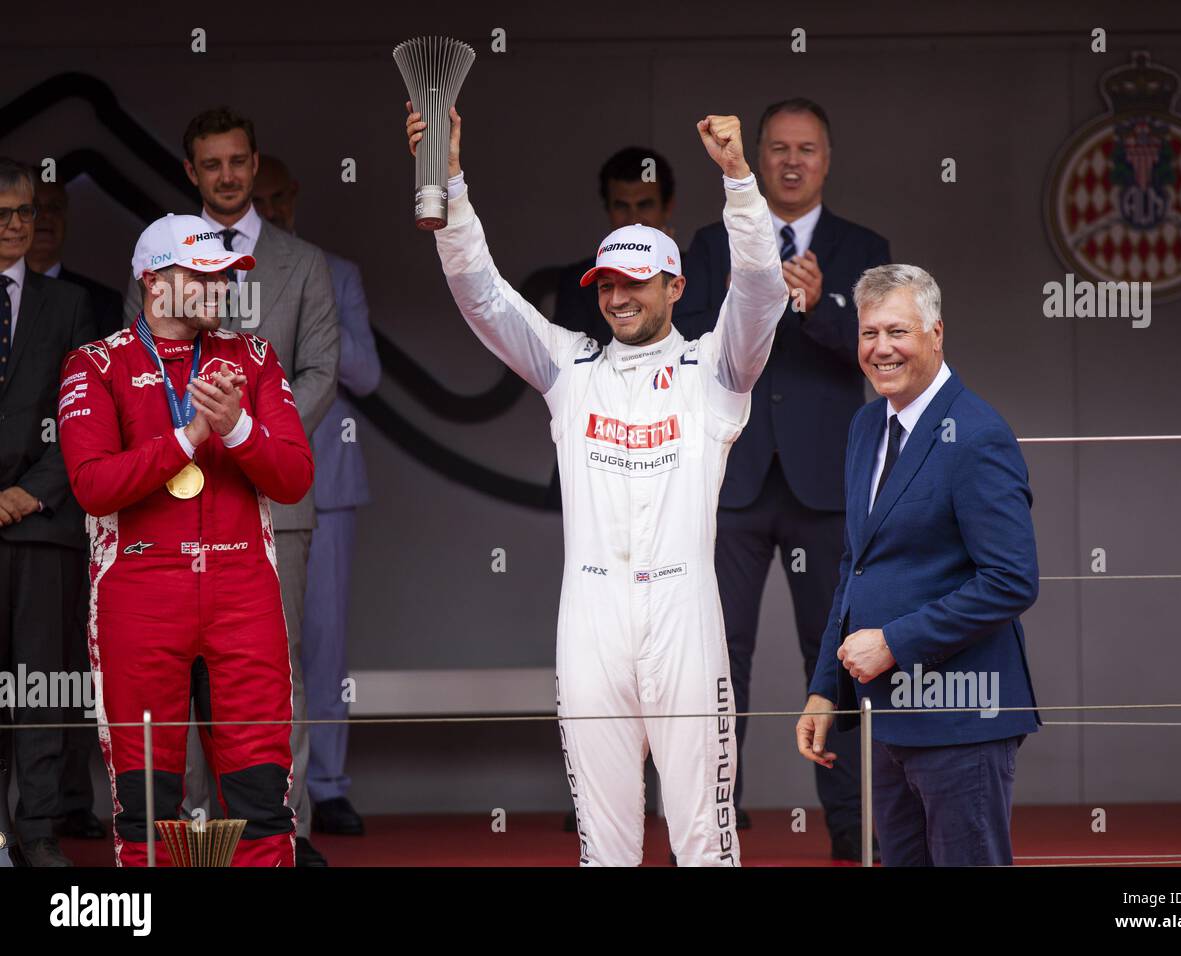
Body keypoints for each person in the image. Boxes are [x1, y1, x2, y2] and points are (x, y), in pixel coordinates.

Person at [405, 102, 787, 865]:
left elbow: (761, 293)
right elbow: (484, 297)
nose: (618, 297)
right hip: (590, 618)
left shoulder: (716, 370)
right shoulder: (566, 368)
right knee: (604, 849)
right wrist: (450, 184)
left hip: (684, 615)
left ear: (675, 286)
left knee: (706, 844)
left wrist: (740, 180)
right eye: (607, 283)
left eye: (637, 283)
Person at [60, 213, 313, 867]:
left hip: (244, 594)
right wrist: (189, 438)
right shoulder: (96, 364)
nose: (222, 288)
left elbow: (293, 476)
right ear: (153, 281)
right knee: (147, 809)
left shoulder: (253, 359)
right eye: (203, 276)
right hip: (140, 595)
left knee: (263, 804)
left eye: (226, 275)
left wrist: (235, 430)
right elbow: (93, 485)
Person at [121, 108, 339, 866]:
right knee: (171, 682)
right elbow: (138, 372)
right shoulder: (156, 260)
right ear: (192, 171)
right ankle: (192, 845)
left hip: (271, 494)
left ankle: (287, 828)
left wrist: (253, 435)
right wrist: (194, 432)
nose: (227, 174)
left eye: (238, 160)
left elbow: (321, 373)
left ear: (255, 163)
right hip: (164, 510)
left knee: (277, 671)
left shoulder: (303, 261)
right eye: (211, 163)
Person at [674, 98, 890, 858]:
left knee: (835, 657)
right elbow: (695, 342)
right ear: (756, 159)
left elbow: (881, 355)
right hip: (730, 483)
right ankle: (707, 834)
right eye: (777, 149)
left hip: (826, 491)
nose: (791, 161)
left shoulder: (865, 248)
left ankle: (853, 834)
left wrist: (819, 305)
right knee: (715, 658)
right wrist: (764, 298)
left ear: (826, 161)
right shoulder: (708, 244)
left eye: (806, 149)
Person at [796, 264, 1040, 866]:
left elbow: (1011, 580)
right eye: (868, 333)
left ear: (936, 333)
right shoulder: (864, 426)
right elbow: (856, 568)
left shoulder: (979, 433)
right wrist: (827, 688)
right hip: (887, 719)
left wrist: (895, 643)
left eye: (897, 332)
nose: (881, 349)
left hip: (963, 720)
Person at [252, 155, 380, 835]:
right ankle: (261, 791)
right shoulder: (223, 270)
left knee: (322, 645)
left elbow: (368, 373)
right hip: (242, 481)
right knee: (252, 648)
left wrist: (315, 321)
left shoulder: (335, 272)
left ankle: (327, 785)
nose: (270, 211)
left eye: (279, 199)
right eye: (258, 200)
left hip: (324, 481)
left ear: (293, 196)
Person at [0, 158, 96, 867]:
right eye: (2, 215)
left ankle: (36, 830)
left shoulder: (70, 308)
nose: (16, 226)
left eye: (25, 213)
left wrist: (32, 490)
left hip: (43, 524)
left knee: (40, 687)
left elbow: (84, 419)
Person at [25, 170, 120, 841]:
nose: (41, 220)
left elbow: (102, 413)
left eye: (53, 209)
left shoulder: (97, 301)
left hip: (61, 513)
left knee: (64, 669)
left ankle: (60, 806)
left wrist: (34, 489)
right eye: (31, 209)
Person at [552, 146, 679, 345]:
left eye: (645, 205)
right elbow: (569, 356)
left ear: (668, 207)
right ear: (608, 209)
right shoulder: (577, 281)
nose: (634, 217)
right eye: (622, 206)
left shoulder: (698, 269)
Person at [28, 175, 125, 340]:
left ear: (65, 220)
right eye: (34, 207)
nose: (46, 215)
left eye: (55, 207)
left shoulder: (101, 302)